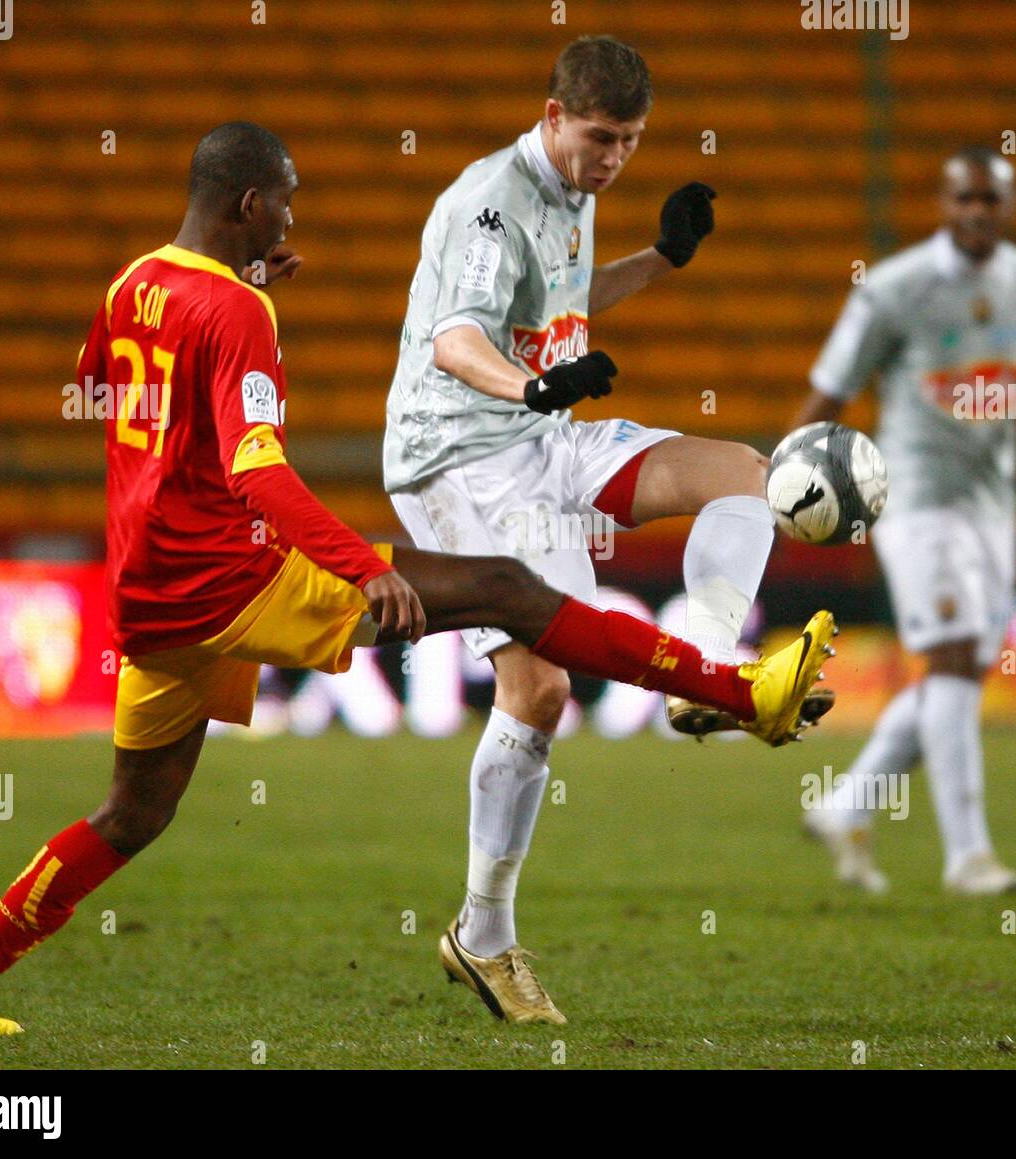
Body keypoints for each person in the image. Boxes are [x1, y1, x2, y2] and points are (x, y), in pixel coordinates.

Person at [0, 121, 835, 1035]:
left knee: (130, 813)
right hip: (235, 579)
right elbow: (259, 473)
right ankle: (740, 687)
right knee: (512, 590)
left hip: (150, 593)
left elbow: (114, 389)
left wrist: (244, 290)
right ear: (249, 202)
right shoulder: (239, 309)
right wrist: (360, 564)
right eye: (285, 200)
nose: (291, 216)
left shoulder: (133, 286)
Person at [383, 35, 821, 1024]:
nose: (613, 158)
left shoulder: (572, 195)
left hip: (541, 434)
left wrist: (662, 261)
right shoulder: (489, 205)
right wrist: (532, 382)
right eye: (598, 137)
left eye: (628, 141)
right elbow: (458, 341)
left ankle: (705, 670)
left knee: (746, 475)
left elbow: (566, 307)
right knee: (539, 692)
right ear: (551, 118)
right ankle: (482, 934)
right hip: (458, 455)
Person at [797, 147, 1016, 895]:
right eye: (965, 199)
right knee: (952, 654)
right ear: (943, 206)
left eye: (991, 199)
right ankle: (968, 856)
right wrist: (788, 476)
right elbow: (832, 387)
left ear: (1008, 207)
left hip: (992, 499)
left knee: (963, 669)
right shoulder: (896, 289)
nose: (978, 211)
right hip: (916, 496)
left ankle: (848, 804)